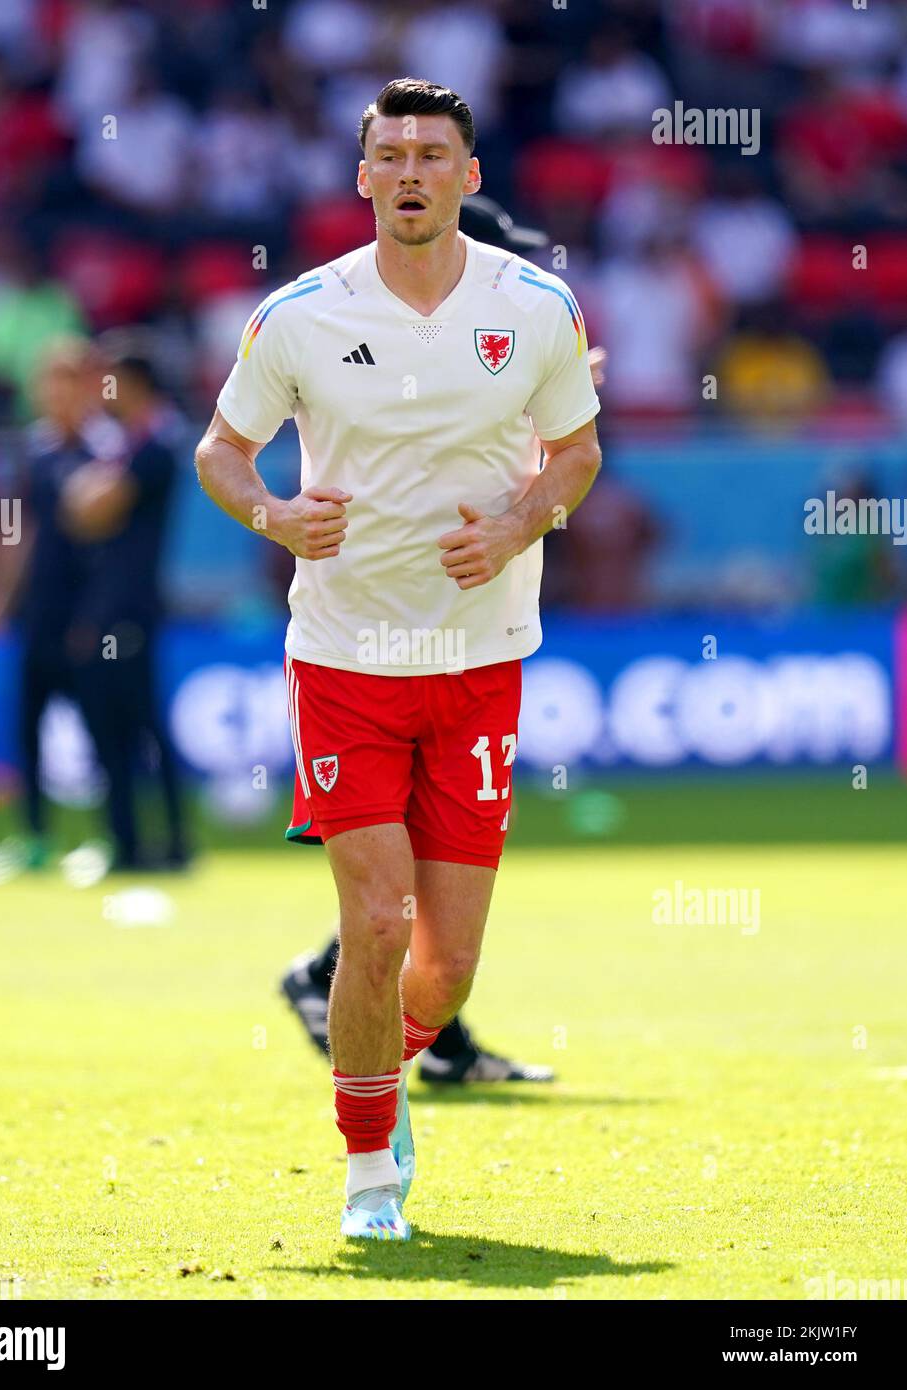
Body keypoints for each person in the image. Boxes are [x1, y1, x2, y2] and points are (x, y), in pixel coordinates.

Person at [194, 78, 602, 1241]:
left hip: (480, 661)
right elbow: (221, 450)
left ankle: (375, 1077)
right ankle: (370, 1170)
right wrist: (273, 516)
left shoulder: (535, 306)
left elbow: (576, 452)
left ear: (470, 177)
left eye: (433, 152)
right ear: (363, 175)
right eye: (392, 153)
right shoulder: (299, 315)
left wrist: (521, 520)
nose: (412, 169)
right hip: (344, 658)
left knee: (447, 963)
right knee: (373, 923)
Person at [279, 193, 604, 1084]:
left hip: (470, 644)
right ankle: (372, 1050)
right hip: (368, 647)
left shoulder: (524, 320)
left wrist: (549, 421)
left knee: (429, 925)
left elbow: (557, 458)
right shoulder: (346, 320)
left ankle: (394, 1056)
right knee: (392, 911)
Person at [0, 337, 121, 881]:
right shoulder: (37, 452)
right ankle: (34, 838)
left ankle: (110, 838)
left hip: (88, 618)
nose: (56, 397)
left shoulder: (108, 452)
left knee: (101, 729)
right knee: (28, 727)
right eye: (49, 385)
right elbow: (23, 531)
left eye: (67, 384)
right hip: (41, 611)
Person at [59, 345, 188, 871]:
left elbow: (89, 510)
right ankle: (133, 843)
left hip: (127, 609)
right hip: (118, 605)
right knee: (121, 728)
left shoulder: (154, 446)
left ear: (133, 385)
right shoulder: (130, 445)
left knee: (136, 727)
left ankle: (163, 843)